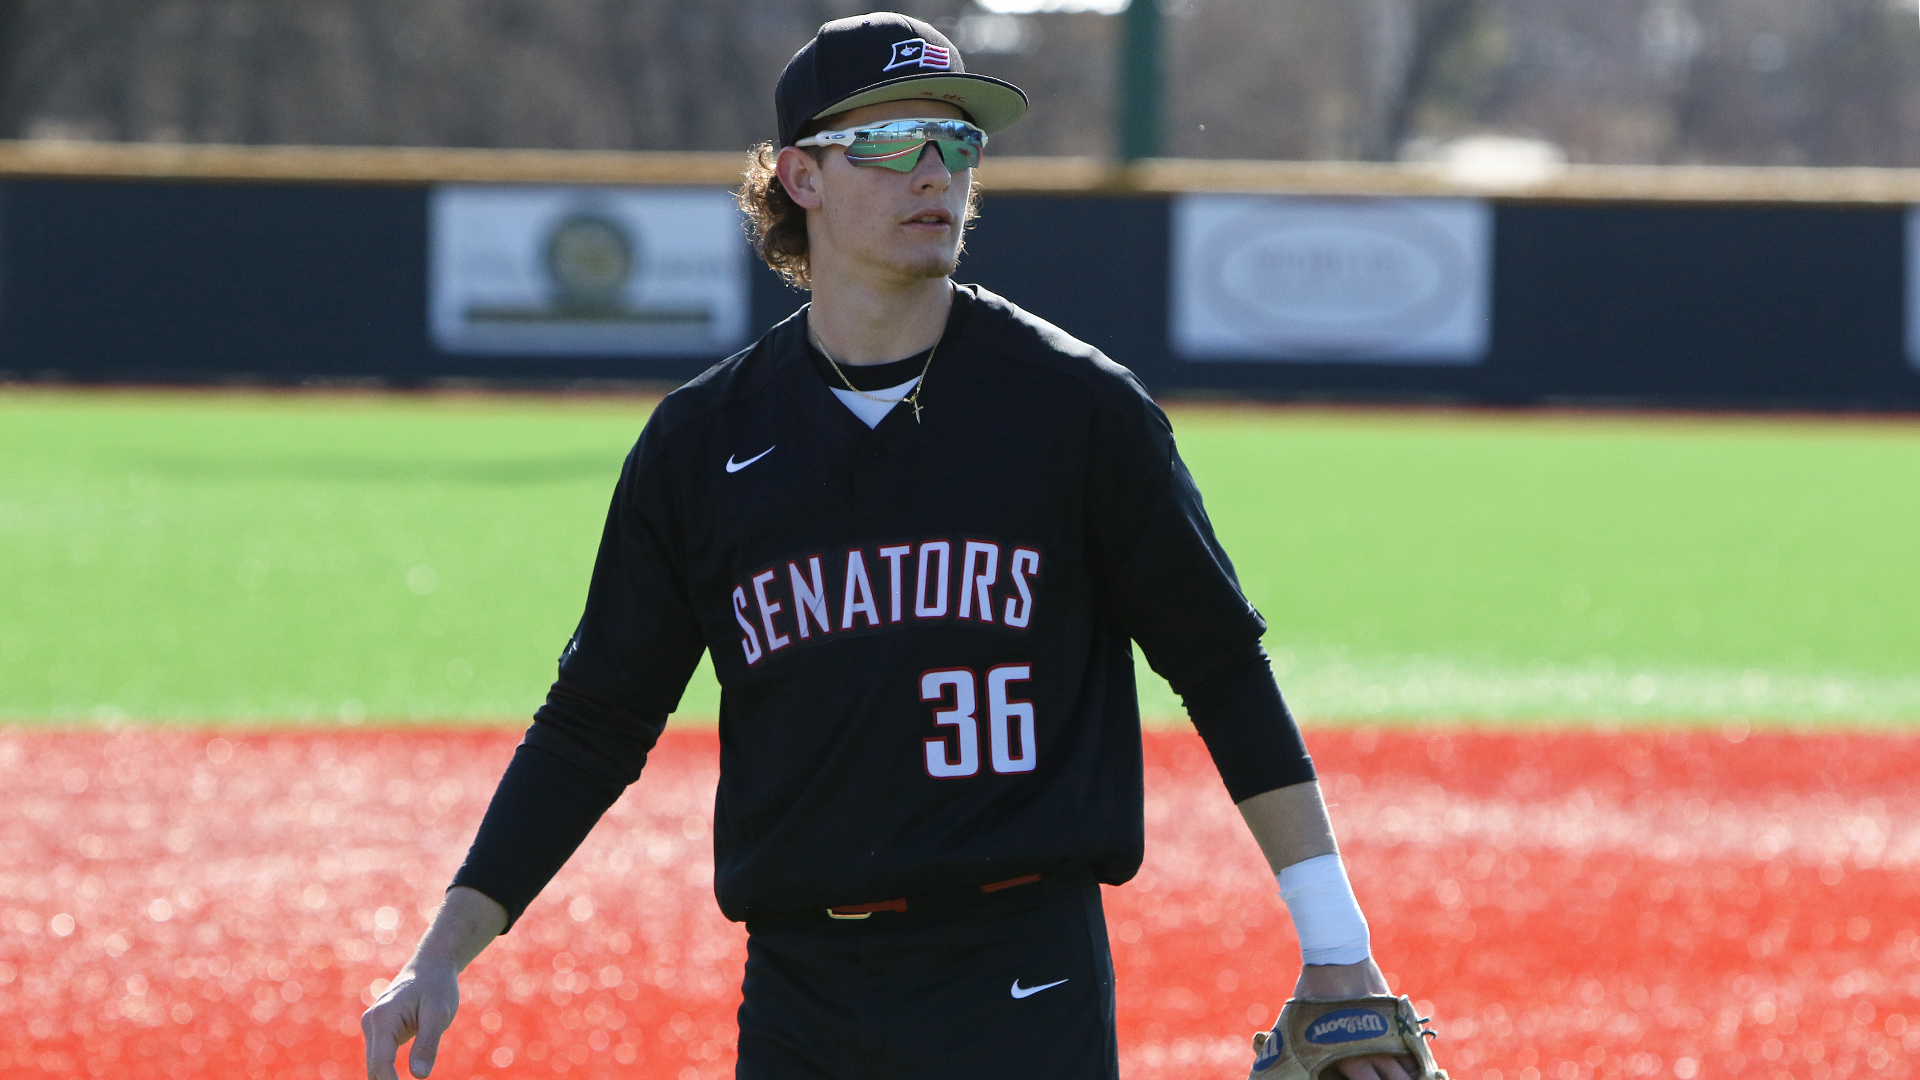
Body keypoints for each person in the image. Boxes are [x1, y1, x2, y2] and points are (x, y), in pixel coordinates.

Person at [362, 12, 1419, 1080]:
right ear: (800, 178)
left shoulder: (1076, 411)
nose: (934, 171)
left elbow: (1220, 666)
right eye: (889, 140)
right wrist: (445, 948)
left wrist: (1338, 950)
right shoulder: (702, 442)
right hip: (798, 986)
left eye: (956, 141)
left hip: (1020, 972)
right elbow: (596, 720)